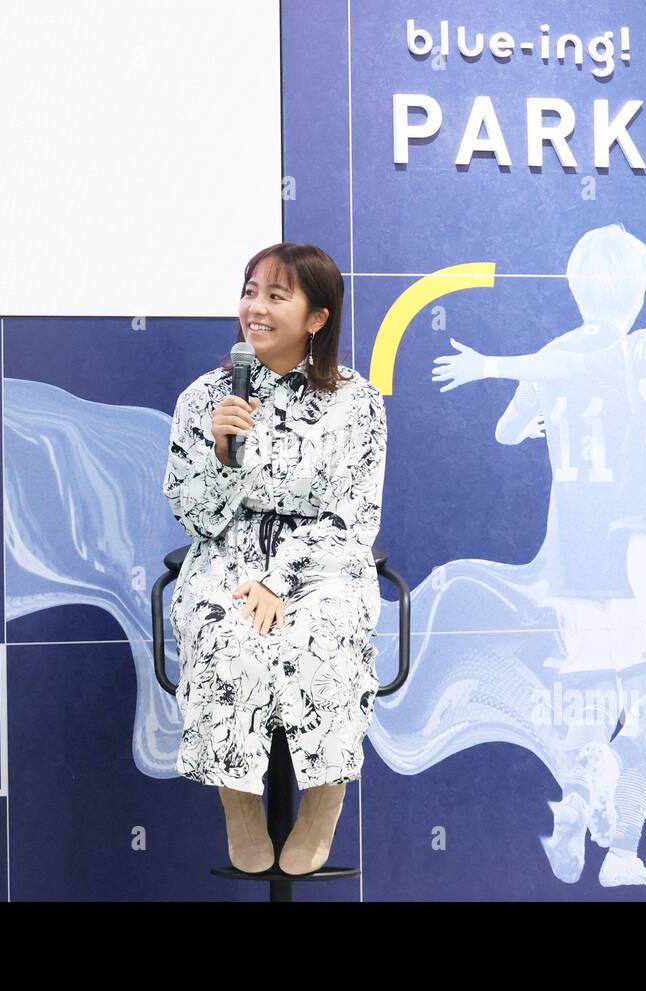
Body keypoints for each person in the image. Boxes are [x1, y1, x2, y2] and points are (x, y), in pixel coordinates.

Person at [162, 242, 387, 875]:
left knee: (323, 634)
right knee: (225, 635)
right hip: (226, 558)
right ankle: (239, 806)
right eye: (250, 292)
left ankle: (324, 802)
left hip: (324, 563)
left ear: (317, 317)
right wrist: (221, 454)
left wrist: (281, 582)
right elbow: (193, 515)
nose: (255, 308)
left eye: (275, 296)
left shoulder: (357, 402)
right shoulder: (205, 397)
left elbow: (354, 515)